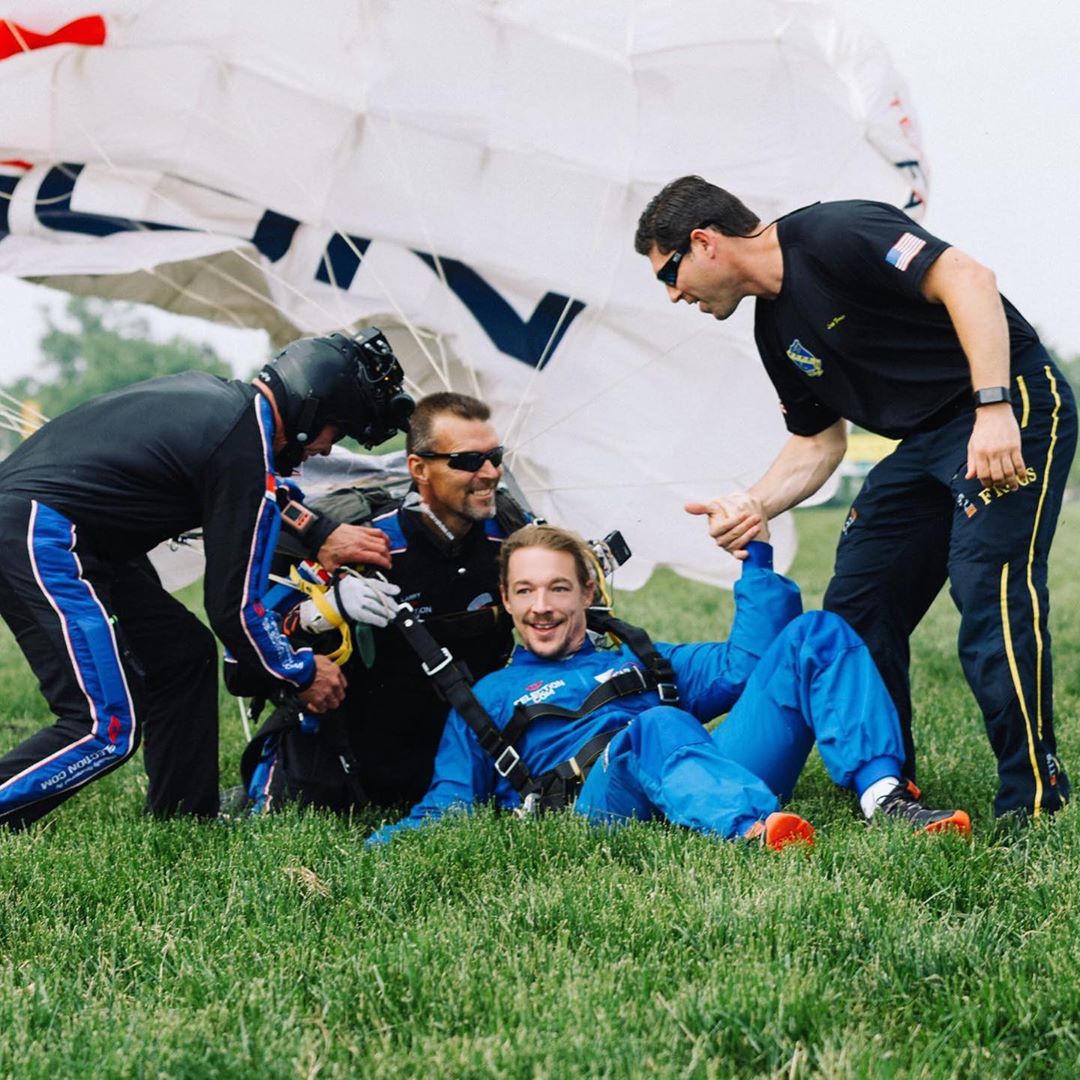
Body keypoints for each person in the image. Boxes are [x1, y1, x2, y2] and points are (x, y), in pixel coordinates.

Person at [634, 176, 1076, 818]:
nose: (674, 295)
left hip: (1008, 407)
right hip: (924, 440)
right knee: (857, 603)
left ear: (704, 243)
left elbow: (969, 278)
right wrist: (754, 504)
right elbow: (819, 444)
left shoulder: (834, 233)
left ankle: (1035, 796)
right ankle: (891, 788)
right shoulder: (773, 332)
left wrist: (994, 406)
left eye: (668, 274)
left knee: (988, 591)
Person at [0, 329, 410, 829]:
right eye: (334, 432)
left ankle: (185, 817)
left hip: (76, 537)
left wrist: (320, 530)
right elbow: (235, 610)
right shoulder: (240, 445)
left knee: (182, 653)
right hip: (43, 535)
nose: (324, 451)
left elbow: (255, 492)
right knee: (104, 727)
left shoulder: (228, 411)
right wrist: (300, 671)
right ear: (309, 414)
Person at [368, 523, 971, 848]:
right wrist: (377, 846)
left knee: (817, 633)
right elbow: (446, 804)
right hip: (603, 807)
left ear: (587, 593)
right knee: (653, 725)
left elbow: (744, 668)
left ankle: (884, 798)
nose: (541, 607)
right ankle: (752, 832)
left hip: (703, 770)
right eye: (524, 591)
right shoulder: (491, 697)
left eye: (558, 588)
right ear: (506, 600)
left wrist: (754, 559)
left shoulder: (643, 657)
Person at [235, 391, 531, 813]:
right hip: (351, 755)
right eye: (468, 461)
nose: (490, 473)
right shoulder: (363, 543)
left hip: (459, 750)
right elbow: (240, 664)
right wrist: (325, 611)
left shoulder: (512, 540)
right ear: (419, 469)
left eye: (495, 456)